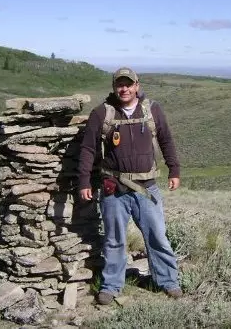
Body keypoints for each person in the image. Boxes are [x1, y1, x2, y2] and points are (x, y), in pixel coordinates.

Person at [78, 67, 183, 305]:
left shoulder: (152, 110)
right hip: (113, 188)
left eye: (128, 84)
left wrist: (174, 170)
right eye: (119, 85)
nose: (124, 89)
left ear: (137, 85)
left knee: (157, 236)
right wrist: (84, 180)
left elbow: (166, 139)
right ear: (114, 87)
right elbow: (87, 150)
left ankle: (168, 282)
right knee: (114, 240)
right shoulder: (101, 113)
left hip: (147, 187)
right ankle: (111, 286)